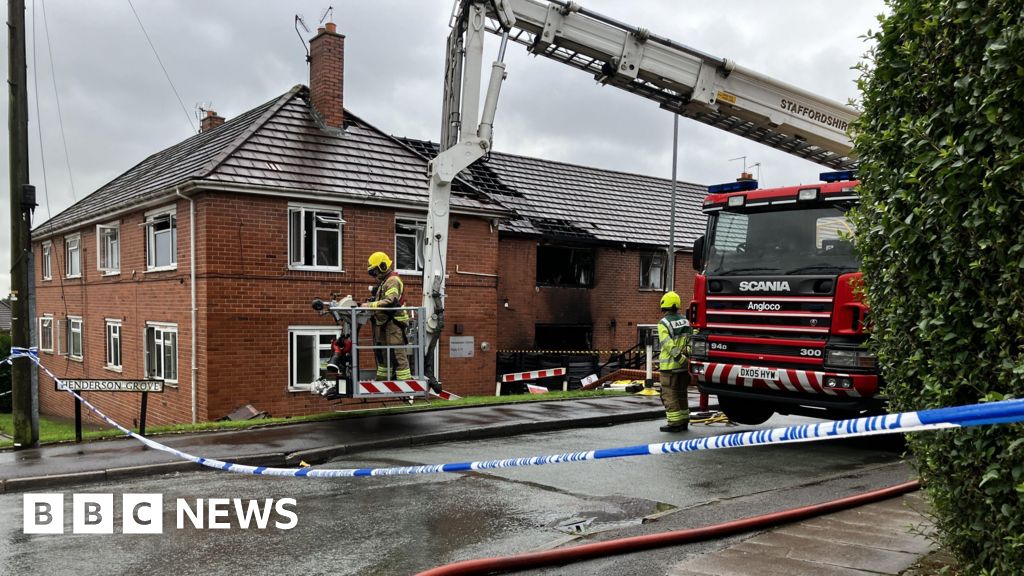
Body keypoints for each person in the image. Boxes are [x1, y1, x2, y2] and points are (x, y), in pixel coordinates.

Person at [365, 251, 413, 380]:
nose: (374, 275)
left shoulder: (392, 280)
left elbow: (391, 300)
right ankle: (382, 378)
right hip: (385, 322)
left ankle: (405, 380)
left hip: (394, 322)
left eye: (375, 271)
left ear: (383, 266)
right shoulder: (385, 281)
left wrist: (370, 306)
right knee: (382, 351)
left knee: (397, 352)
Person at [657, 291, 690, 432]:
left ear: (664, 306)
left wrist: (678, 358)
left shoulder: (663, 323)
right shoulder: (686, 321)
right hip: (684, 367)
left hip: (670, 367)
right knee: (682, 393)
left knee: (669, 395)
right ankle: (684, 420)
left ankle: (674, 423)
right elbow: (691, 340)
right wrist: (685, 358)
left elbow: (667, 344)